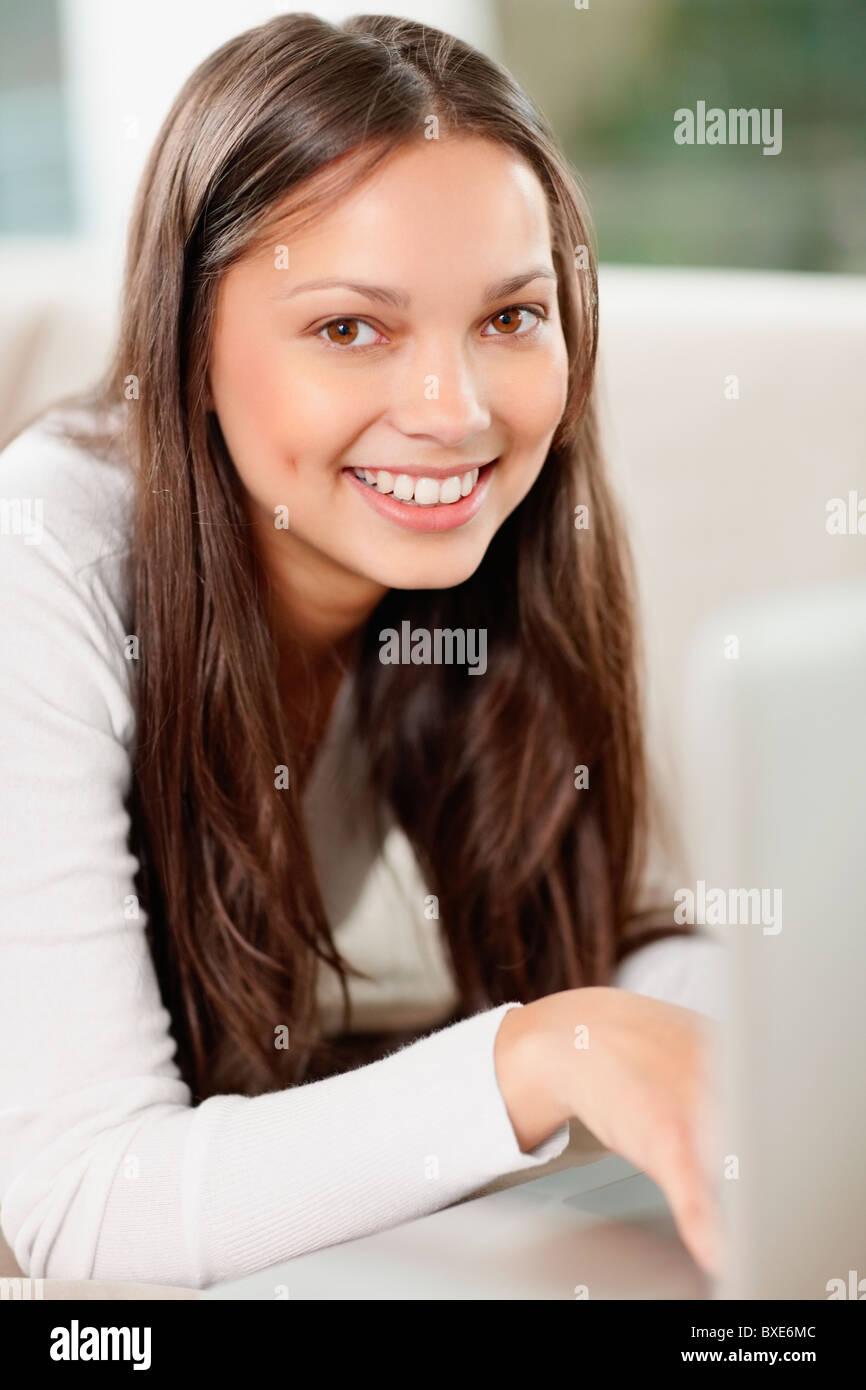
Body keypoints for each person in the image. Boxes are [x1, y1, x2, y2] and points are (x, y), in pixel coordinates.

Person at [0, 12, 724, 1291]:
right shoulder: (42, 559)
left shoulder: (494, 545)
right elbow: (85, 1207)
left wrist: (746, 1023)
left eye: (510, 317)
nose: (453, 413)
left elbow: (598, 935)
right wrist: (532, 1055)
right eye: (350, 328)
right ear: (189, 347)